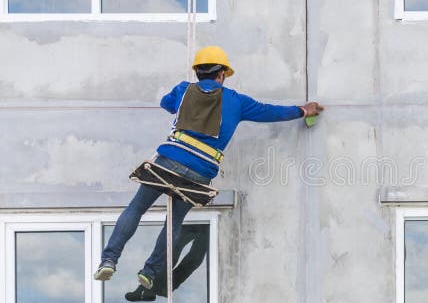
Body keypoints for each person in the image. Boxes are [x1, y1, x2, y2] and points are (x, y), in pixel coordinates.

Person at [93, 46, 323, 289]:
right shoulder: (237, 101)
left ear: (198, 72)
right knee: (174, 222)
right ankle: (149, 273)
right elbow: (271, 112)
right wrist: (303, 110)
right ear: (222, 74)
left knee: (137, 208)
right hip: (200, 173)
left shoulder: (184, 90)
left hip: (168, 162)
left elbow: (166, 103)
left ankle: (109, 260)